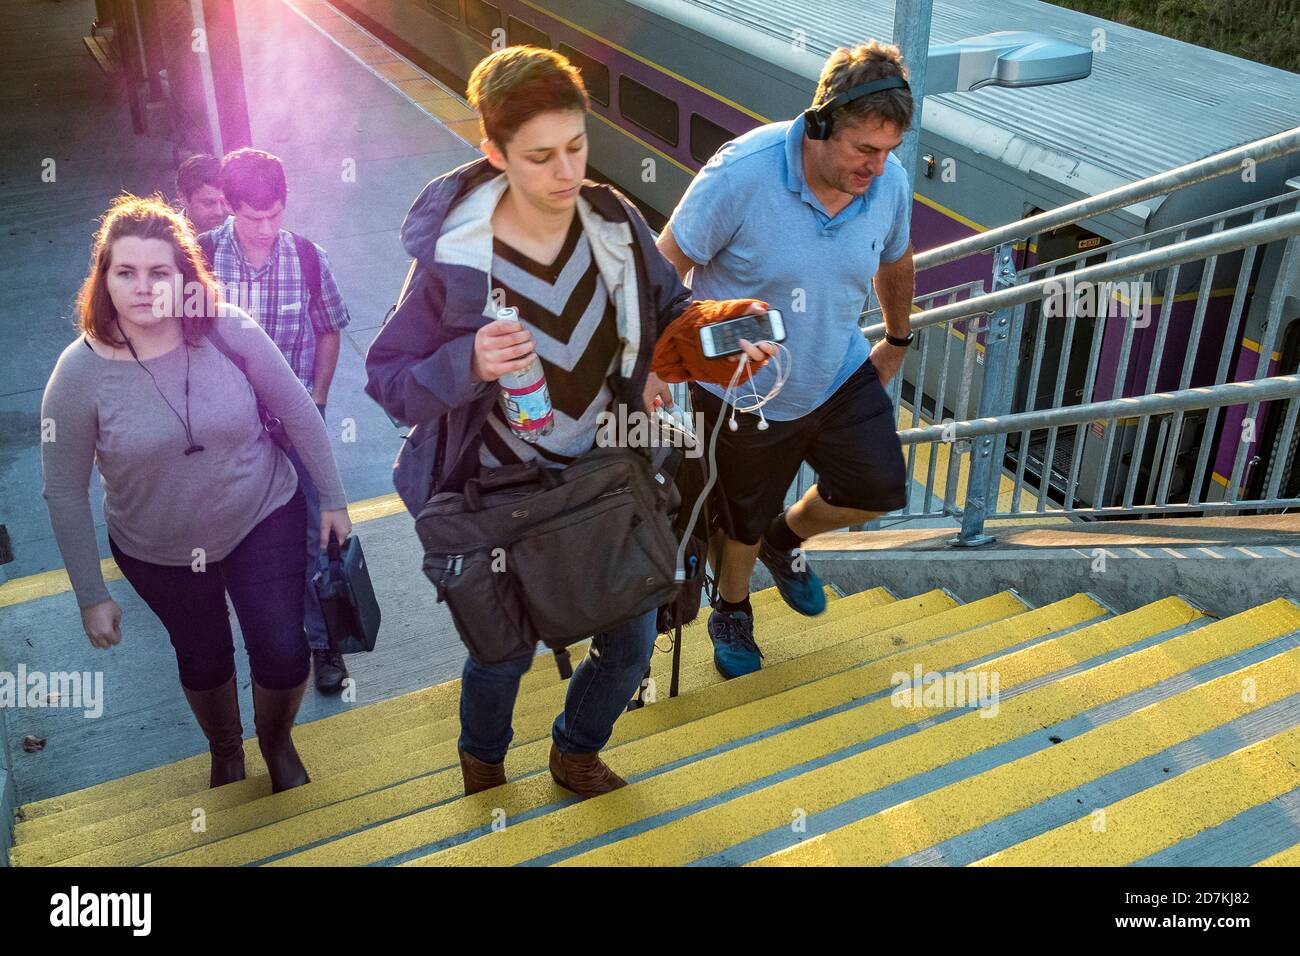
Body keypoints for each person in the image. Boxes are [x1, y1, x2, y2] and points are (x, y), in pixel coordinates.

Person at [364, 46, 772, 799]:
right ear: (493, 152)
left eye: (577, 147)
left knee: (632, 641)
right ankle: (482, 764)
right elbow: (388, 382)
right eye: (540, 156)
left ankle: (574, 751)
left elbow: (670, 310)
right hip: (495, 496)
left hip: (603, 477)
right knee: (501, 655)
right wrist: (470, 363)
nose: (566, 173)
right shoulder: (454, 258)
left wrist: (716, 332)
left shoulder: (613, 219)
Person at [40, 194, 353, 792]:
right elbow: (63, 491)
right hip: (158, 549)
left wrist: (333, 498)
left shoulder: (226, 328)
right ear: (104, 278)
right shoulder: (77, 374)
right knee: (204, 656)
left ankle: (277, 740)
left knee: (284, 651)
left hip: (261, 513)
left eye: (159, 271)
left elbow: (297, 407)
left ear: (184, 273)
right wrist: (90, 594)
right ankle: (226, 749)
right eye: (125, 271)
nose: (142, 287)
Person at [656, 40, 916, 679]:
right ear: (821, 124)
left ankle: (787, 537)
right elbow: (665, 268)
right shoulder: (741, 174)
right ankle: (733, 609)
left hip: (836, 369)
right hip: (742, 387)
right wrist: (658, 366)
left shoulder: (888, 183)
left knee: (878, 489)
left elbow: (895, 260)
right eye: (864, 151)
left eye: (888, 153)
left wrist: (897, 338)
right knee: (738, 518)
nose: (877, 170)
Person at [197, 148, 355, 695]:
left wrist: (318, 396)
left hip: (294, 420)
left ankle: (324, 644)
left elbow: (329, 326)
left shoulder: (309, 259)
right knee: (234, 533)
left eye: (274, 215)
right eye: (251, 217)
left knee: (317, 529)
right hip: (226, 429)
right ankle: (254, 642)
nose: (265, 228)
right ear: (228, 208)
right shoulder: (198, 261)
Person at [175, 153, 229, 234]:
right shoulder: (165, 237)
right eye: (208, 203)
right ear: (183, 198)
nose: (219, 212)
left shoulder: (241, 232)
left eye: (224, 202)